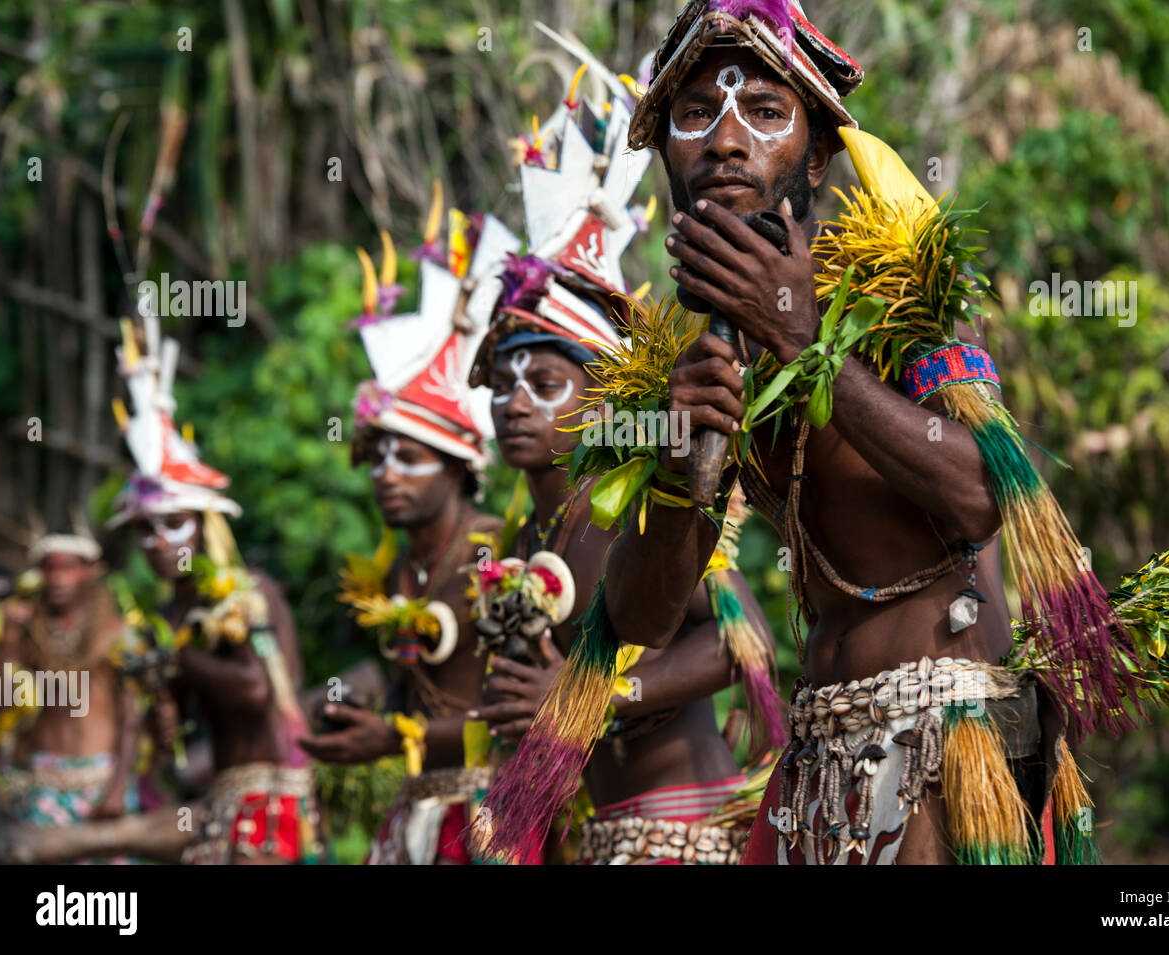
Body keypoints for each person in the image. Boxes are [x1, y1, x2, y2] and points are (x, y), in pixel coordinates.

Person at [604, 0, 1113, 865]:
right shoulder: (687, 370)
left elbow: (987, 496)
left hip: (946, 755)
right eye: (695, 114)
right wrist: (683, 457)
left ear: (820, 151)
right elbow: (640, 615)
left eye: (764, 112)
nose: (726, 141)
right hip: (815, 770)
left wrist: (806, 342)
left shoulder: (898, 289)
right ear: (666, 157)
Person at [468, 37, 782, 864]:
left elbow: (741, 639)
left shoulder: (634, 497)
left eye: (544, 380)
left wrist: (588, 696)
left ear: (599, 392)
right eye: (502, 382)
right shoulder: (519, 545)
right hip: (602, 837)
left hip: (682, 830)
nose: (513, 404)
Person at [299, 211, 515, 865]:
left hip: (491, 815)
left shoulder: (497, 553)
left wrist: (396, 738)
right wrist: (354, 715)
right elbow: (408, 697)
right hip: (416, 811)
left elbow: (523, 718)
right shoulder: (399, 569)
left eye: (409, 459)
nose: (387, 475)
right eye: (379, 458)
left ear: (461, 468)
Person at [107, 317, 320, 865]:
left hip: (271, 798)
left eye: (174, 523)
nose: (159, 542)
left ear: (205, 524)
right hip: (218, 799)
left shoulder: (243, 594)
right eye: (146, 529)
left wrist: (178, 655)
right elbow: (178, 725)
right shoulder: (165, 613)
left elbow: (254, 689)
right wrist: (164, 712)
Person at [0, 530, 140, 847]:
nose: (58, 578)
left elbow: (131, 717)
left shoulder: (116, 634)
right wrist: (7, 647)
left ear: (90, 571)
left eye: (68, 567)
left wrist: (117, 788)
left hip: (99, 780)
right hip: (39, 780)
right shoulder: (28, 633)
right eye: (50, 568)